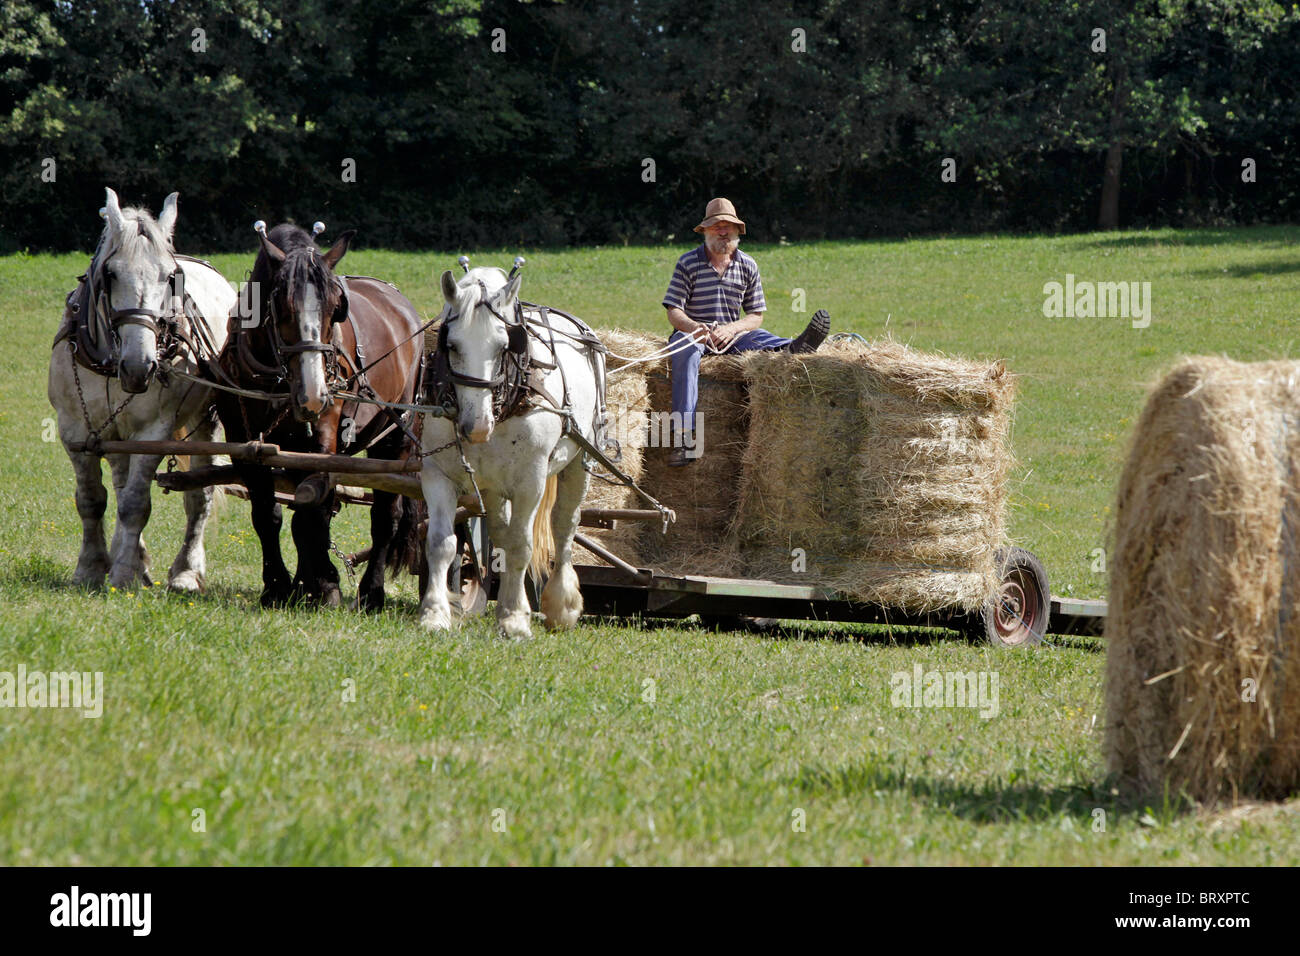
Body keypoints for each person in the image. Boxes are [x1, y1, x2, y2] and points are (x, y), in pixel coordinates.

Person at [661, 197, 830, 466]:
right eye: (717, 226)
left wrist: (732, 329)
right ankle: (684, 438)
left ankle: (796, 347)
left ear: (738, 231)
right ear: (705, 230)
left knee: (762, 339)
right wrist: (694, 328)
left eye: (729, 226)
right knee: (686, 351)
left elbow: (755, 316)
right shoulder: (687, 263)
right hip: (692, 334)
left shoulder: (747, 265)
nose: (723, 231)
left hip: (731, 335)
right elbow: (673, 311)